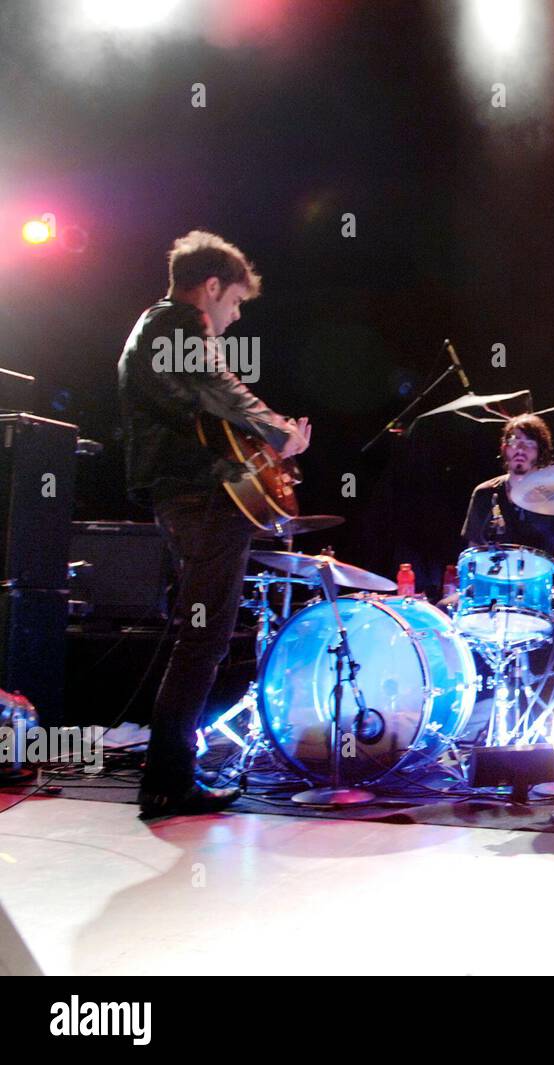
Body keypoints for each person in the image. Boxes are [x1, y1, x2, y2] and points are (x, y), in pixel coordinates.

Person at [118, 230, 310, 818]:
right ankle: (168, 782)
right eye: (233, 304)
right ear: (211, 287)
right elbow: (222, 391)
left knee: (198, 638)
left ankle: (169, 775)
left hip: (186, 495)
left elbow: (204, 409)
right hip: (201, 499)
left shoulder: (156, 327)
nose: (232, 318)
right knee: (201, 641)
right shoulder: (179, 323)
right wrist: (282, 433)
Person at [459, 414, 554, 565]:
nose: (520, 449)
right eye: (514, 441)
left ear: (540, 451)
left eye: (529, 443)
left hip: (539, 582)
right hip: (496, 582)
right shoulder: (485, 493)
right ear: (504, 447)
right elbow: (475, 546)